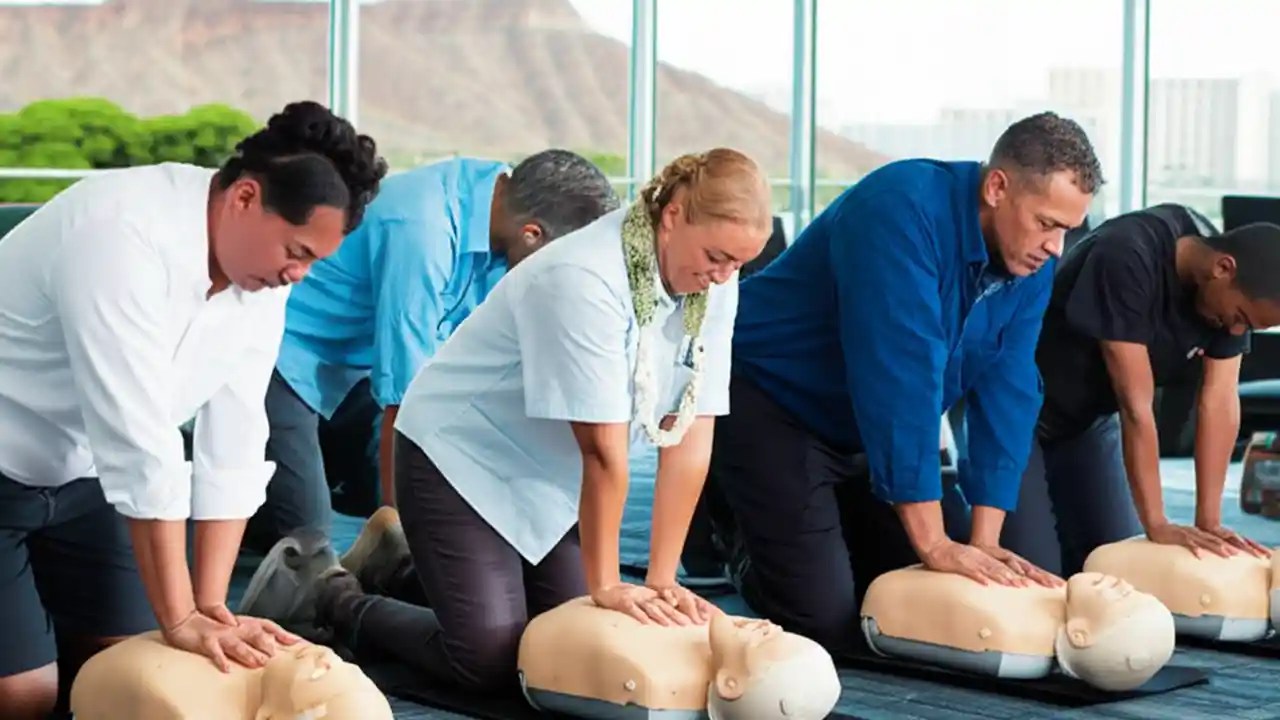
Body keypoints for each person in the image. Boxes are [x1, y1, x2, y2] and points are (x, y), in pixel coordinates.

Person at [243, 148, 774, 693]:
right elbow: (603, 454)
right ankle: (331, 597)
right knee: (495, 658)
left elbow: (691, 432)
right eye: (717, 256)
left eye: (737, 264)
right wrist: (609, 587)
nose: (722, 276)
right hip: (459, 459)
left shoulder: (712, 283)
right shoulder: (584, 274)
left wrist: (663, 580)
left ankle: (402, 568)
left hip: (553, 479)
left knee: (565, 650)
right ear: (673, 215)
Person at [0, 100, 387, 719]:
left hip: (84, 480)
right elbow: (139, 442)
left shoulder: (263, 279)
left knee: (134, 670)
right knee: (25, 697)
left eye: (314, 260)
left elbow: (232, 443)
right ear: (244, 197)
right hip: (8, 465)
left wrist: (209, 609)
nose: (299, 274)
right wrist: (176, 617)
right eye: (298, 250)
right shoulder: (119, 232)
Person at [700, 111, 1101, 655]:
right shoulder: (899, 210)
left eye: (1068, 230)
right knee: (826, 624)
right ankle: (729, 529)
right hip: (769, 404)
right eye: (1048, 223)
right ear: (997, 187)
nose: (1057, 246)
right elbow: (901, 378)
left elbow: (1007, 390)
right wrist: (934, 541)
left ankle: (815, 524)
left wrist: (982, 542)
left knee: (920, 593)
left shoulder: (1030, 262)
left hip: (860, 432)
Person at [254, 150, 621, 550]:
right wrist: (406, 542)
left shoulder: (503, 210)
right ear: (533, 234)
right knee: (310, 544)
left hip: (352, 369)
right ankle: (239, 477)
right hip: (285, 358)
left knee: (441, 474)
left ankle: (282, 481)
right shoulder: (422, 230)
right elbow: (405, 399)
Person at [1001, 205, 1280, 576]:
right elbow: (1136, 405)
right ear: (1222, 269)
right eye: (1242, 318)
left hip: (1089, 421)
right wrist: (1158, 522)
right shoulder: (1128, 254)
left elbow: (1219, 400)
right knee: (1036, 574)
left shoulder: (1229, 288)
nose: (1236, 332)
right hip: (1015, 414)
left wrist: (1208, 523)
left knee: (1118, 568)